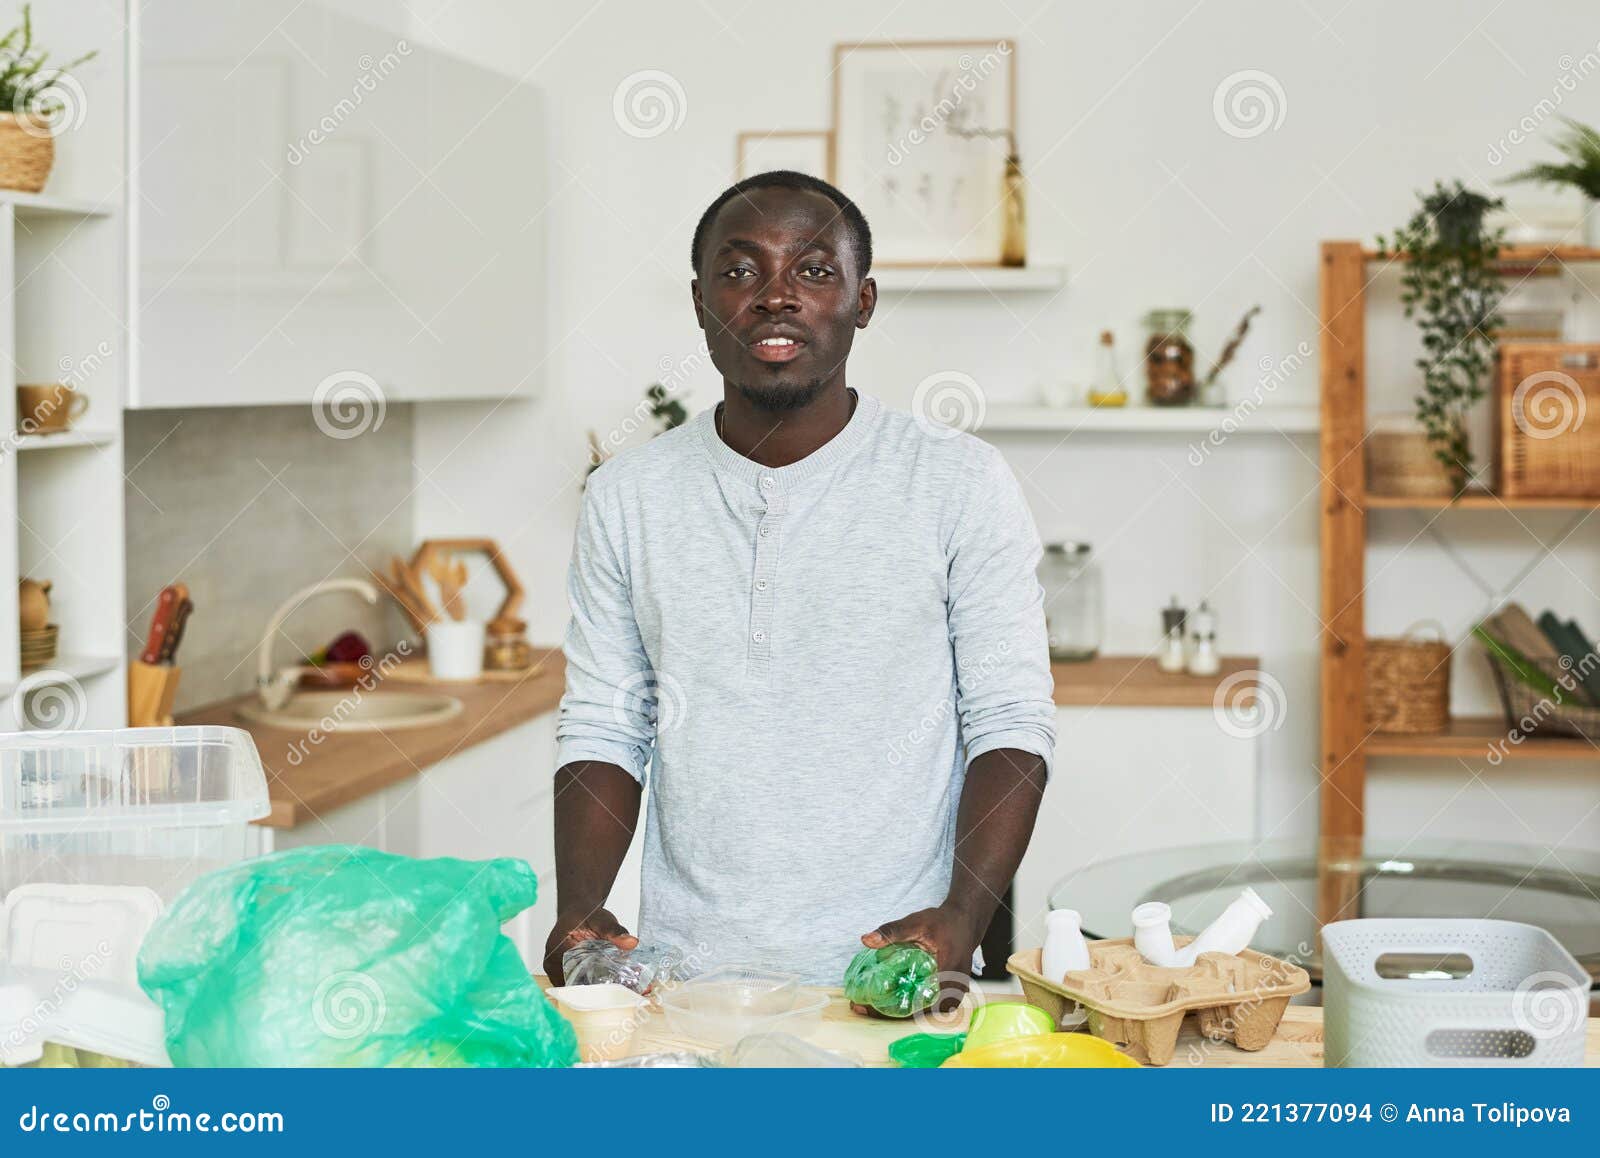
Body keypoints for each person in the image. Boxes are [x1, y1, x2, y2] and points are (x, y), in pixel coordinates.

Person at [546, 170, 1055, 991]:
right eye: (740, 270)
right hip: (683, 984)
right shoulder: (627, 496)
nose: (775, 296)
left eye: (814, 271)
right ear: (701, 301)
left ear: (863, 300)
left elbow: (1009, 720)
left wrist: (964, 914)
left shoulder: (959, 482)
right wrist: (579, 908)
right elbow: (606, 726)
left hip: (896, 973)